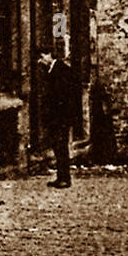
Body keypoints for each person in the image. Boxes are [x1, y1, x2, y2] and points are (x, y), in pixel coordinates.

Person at [37, 48, 80, 188]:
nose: (40, 61)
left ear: (49, 54)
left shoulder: (61, 70)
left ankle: (65, 179)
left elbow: (64, 97)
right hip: (57, 118)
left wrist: (62, 116)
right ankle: (60, 176)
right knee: (58, 147)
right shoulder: (53, 70)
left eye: (41, 57)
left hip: (61, 118)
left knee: (61, 147)